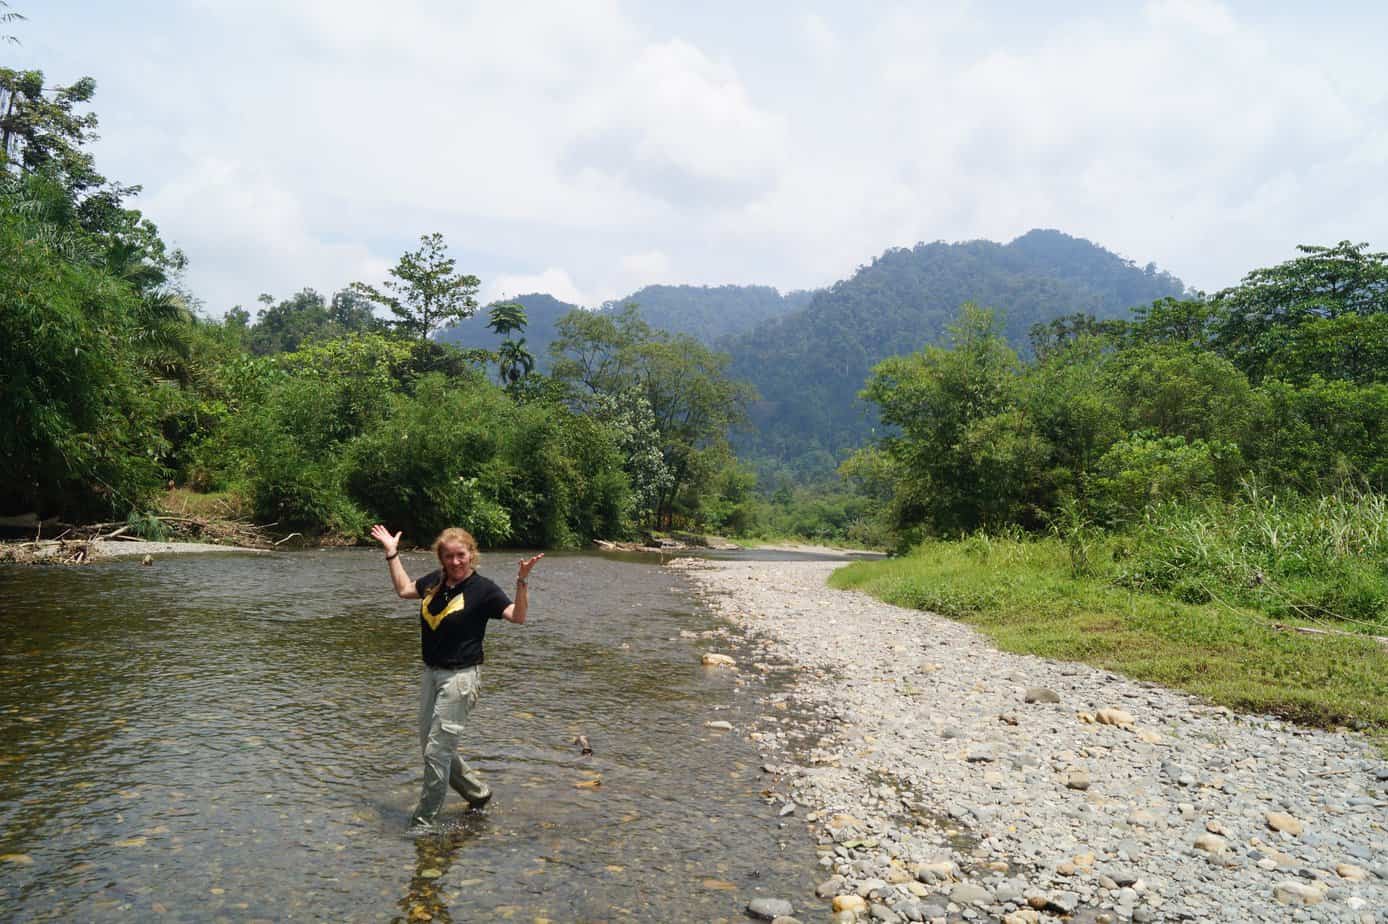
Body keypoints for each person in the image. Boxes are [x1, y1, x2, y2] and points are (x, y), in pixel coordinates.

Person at [370, 523, 543, 829]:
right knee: (432, 747)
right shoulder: (436, 582)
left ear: (471, 554)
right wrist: (392, 554)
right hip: (431, 675)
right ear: (441, 558)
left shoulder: (484, 589)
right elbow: (403, 590)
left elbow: (518, 617)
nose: (455, 562)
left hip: (461, 679)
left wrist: (522, 581)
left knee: (436, 752)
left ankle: (422, 823)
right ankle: (478, 793)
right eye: (449, 556)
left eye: (461, 555)